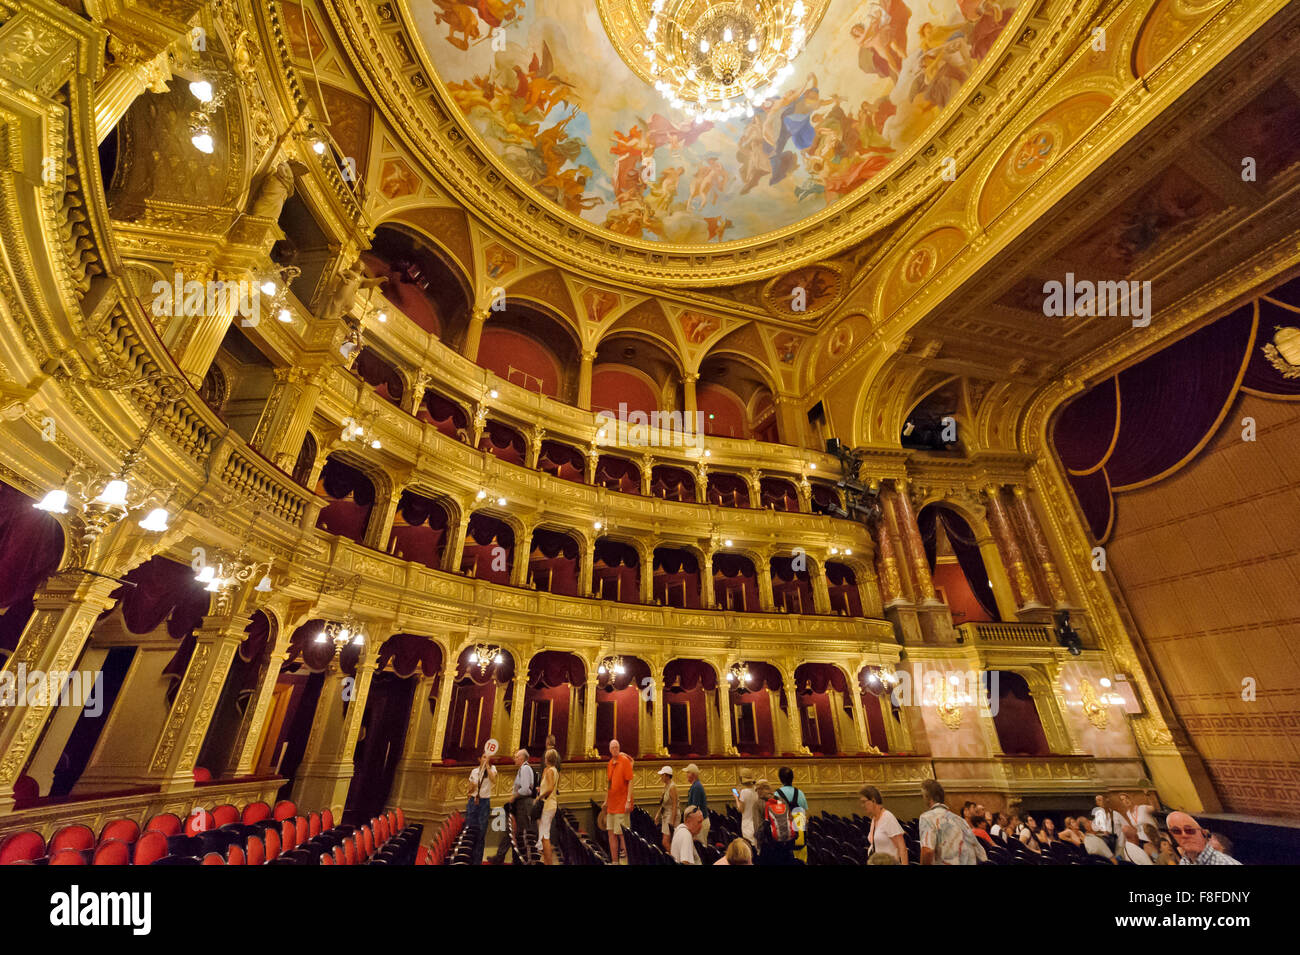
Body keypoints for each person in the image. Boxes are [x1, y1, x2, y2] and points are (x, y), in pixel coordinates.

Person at [917, 779, 985, 865]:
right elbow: (980, 852)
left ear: (928, 797)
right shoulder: (960, 820)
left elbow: (927, 851)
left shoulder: (927, 818)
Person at [491, 748, 535, 864]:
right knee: (512, 831)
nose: (514, 759)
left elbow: (525, 790)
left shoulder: (525, 769)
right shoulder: (522, 769)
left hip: (523, 804)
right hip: (519, 804)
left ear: (521, 758)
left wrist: (514, 796)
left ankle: (522, 860)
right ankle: (501, 856)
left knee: (522, 833)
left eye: (516, 757)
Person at [1167, 811, 1241, 864]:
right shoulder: (1184, 862)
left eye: (1189, 830)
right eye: (1176, 831)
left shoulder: (1225, 863)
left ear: (1203, 834)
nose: (1184, 835)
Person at [859, 785, 908, 863]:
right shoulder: (874, 819)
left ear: (873, 800)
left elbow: (902, 849)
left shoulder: (888, 818)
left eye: (864, 802)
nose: (862, 805)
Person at [605, 739, 634, 864]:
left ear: (619, 748)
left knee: (622, 834)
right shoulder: (610, 763)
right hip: (612, 804)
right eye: (612, 747)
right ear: (610, 750)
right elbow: (610, 784)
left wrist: (628, 800)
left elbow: (630, 781)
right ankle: (614, 861)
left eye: (617, 747)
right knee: (611, 833)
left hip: (622, 804)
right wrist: (606, 801)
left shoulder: (625, 761)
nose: (615, 749)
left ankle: (626, 861)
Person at [465, 751, 498, 864]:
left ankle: (477, 861)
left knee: (481, 833)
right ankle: (467, 858)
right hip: (473, 801)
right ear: (479, 759)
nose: (486, 759)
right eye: (484, 757)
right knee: (469, 830)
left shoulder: (492, 769)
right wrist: (471, 788)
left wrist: (487, 766)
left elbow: (493, 780)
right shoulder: (474, 771)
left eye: (488, 758)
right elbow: (469, 789)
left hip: (484, 802)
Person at [775, 767, 809, 862]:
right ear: (792, 778)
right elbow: (806, 816)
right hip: (800, 834)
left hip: (783, 836)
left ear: (780, 779)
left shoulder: (776, 794)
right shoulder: (800, 793)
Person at [536, 748, 560, 865]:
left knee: (545, 836)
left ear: (547, 759)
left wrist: (540, 796)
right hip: (550, 805)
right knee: (544, 835)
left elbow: (550, 788)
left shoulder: (550, 771)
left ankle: (549, 863)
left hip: (548, 805)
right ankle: (546, 862)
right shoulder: (554, 770)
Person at [654, 765, 679, 852]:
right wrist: (658, 815)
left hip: (671, 816)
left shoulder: (672, 787)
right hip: (666, 815)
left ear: (667, 776)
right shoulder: (666, 786)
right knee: (667, 842)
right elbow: (663, 803)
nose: (661, 777)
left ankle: (674, 860)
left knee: (665, 842)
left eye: (662, 775)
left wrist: (672, 820)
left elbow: (675, 805)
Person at [683, 763, 709, 844]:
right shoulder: (695, 786)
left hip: (700, 822)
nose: (686, 775)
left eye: (688, 773)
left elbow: (694, 808)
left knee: (701, 847)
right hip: (699, 822)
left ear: (693, 774)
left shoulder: (697, 787)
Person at [735, 768, 761, 845]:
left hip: (747, 823)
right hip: (756, 822)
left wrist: (736, 798)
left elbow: (740, 809)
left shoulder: (744, 792)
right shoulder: (755, 790)